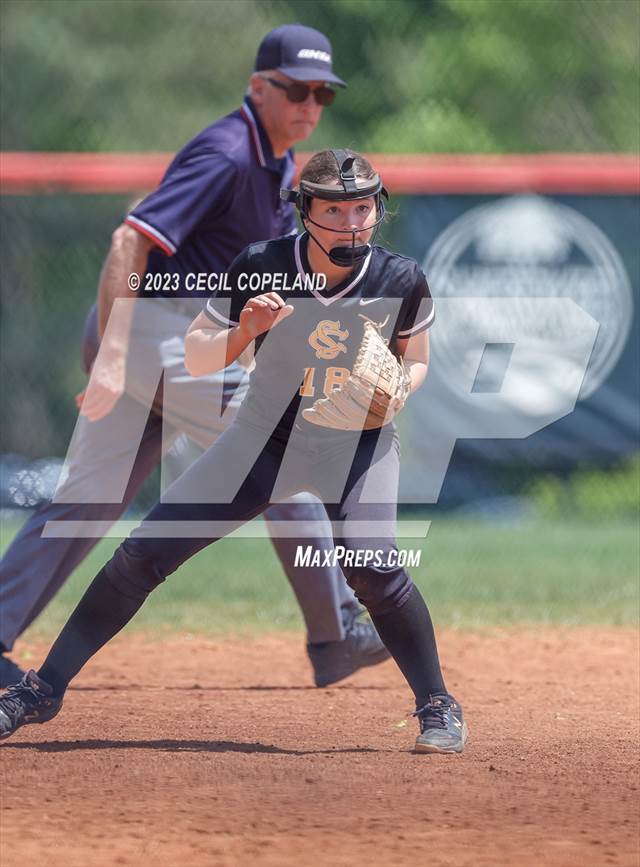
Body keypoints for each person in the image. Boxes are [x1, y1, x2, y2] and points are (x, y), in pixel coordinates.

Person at [0, 149, 468, 754]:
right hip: (263, 439)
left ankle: (437, 702)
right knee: (144, 553)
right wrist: (243, 330)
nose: (353, 223)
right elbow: (198, 355)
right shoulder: (261, 264)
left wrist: (397, 389)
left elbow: (417, 359)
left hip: (356, 444)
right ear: (305, 213)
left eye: (363, 208)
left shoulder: (400, 278)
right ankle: (41, 690)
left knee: (371, 566)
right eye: (335, 210)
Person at [0, 24, 389, 689]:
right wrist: (117, 353)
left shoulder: (275, 162)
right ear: (259, 86)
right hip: (158, 334)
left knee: (88, 498)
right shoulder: (229, 153)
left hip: (179, 339)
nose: (310, 105)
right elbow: (131, 239)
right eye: (296, 89)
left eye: (321, 93)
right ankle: (335, 635)